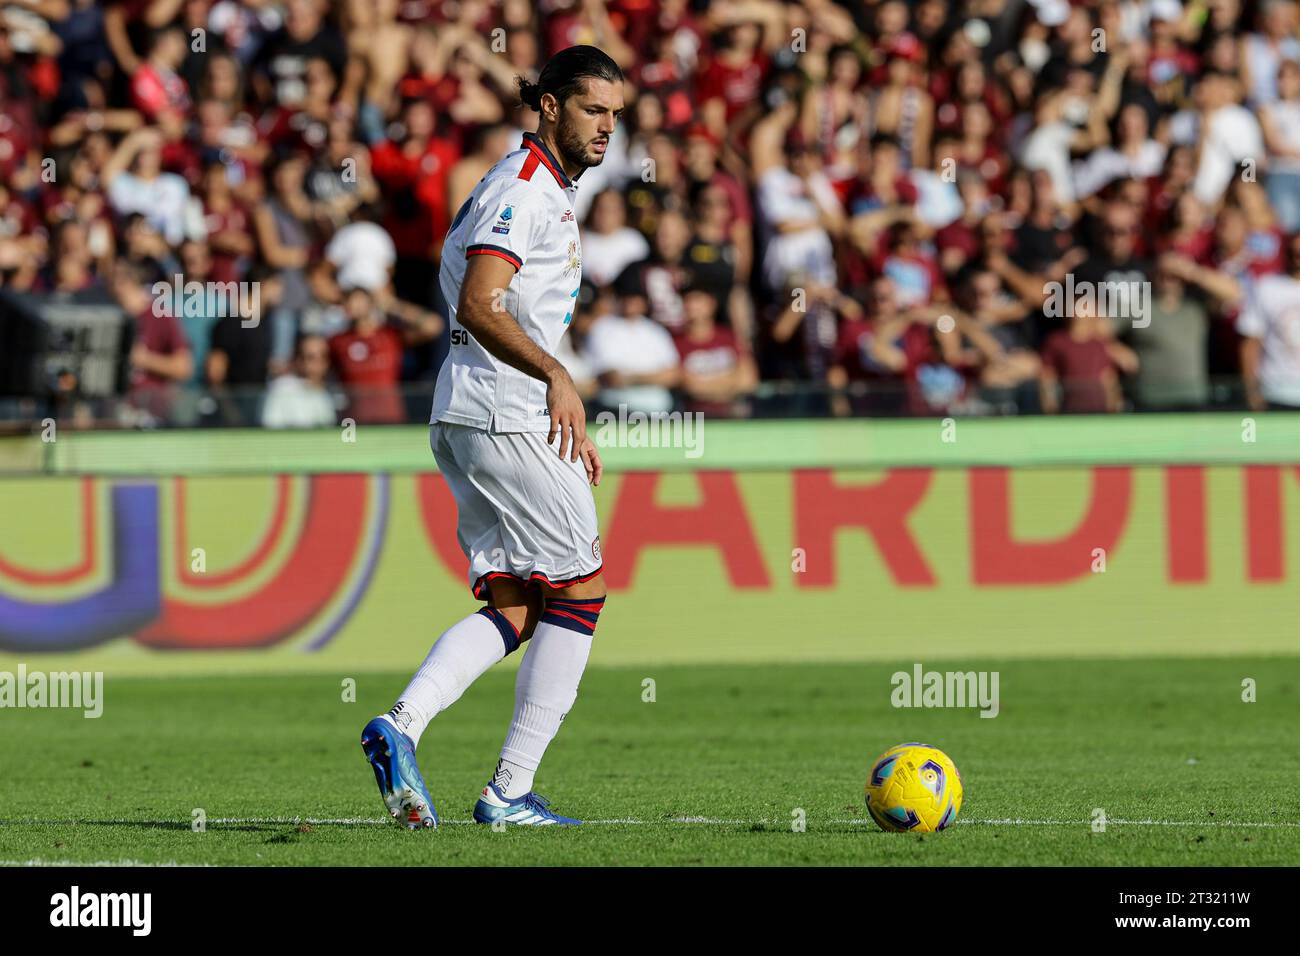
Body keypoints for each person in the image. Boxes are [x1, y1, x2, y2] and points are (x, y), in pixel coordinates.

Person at [360, 46, 624, 829]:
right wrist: (558, 377)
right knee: (581, 590)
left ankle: (401, 726)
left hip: (473, 410)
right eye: (591, 110)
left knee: (517, 604)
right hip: (508, 410)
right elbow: (481, 302)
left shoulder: (529, 182)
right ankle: (508, 791)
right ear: (547, 105)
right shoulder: (522, 189)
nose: (607, 127)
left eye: (615, 113)